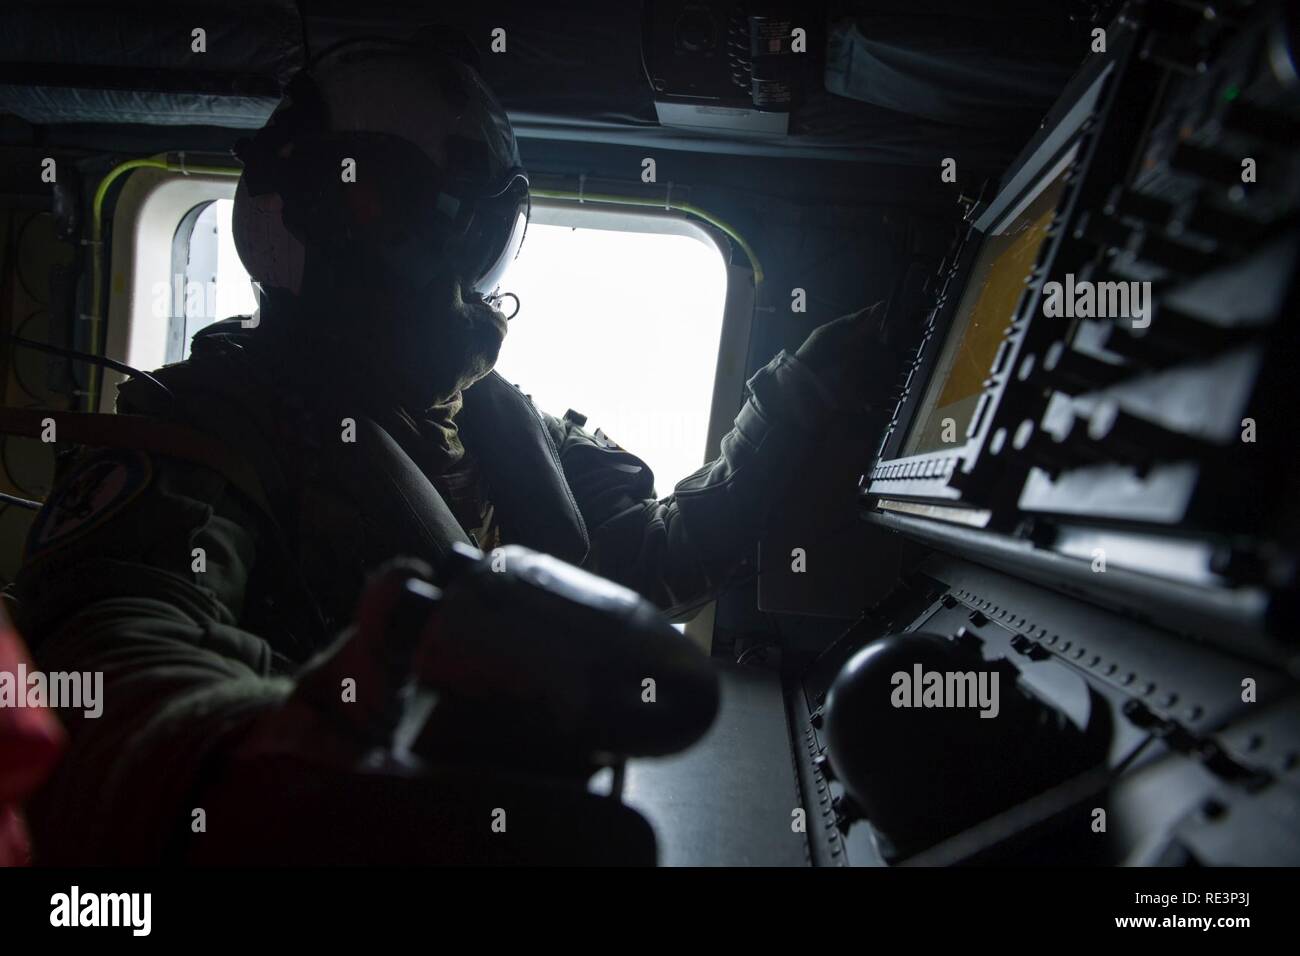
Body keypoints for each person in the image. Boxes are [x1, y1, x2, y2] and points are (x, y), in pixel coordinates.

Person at [11, 36, 899, 864]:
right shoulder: (209, 423)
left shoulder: (491, 419)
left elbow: (653, 556)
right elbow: (106, 657)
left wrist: (795, 397)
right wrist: (264, 766)